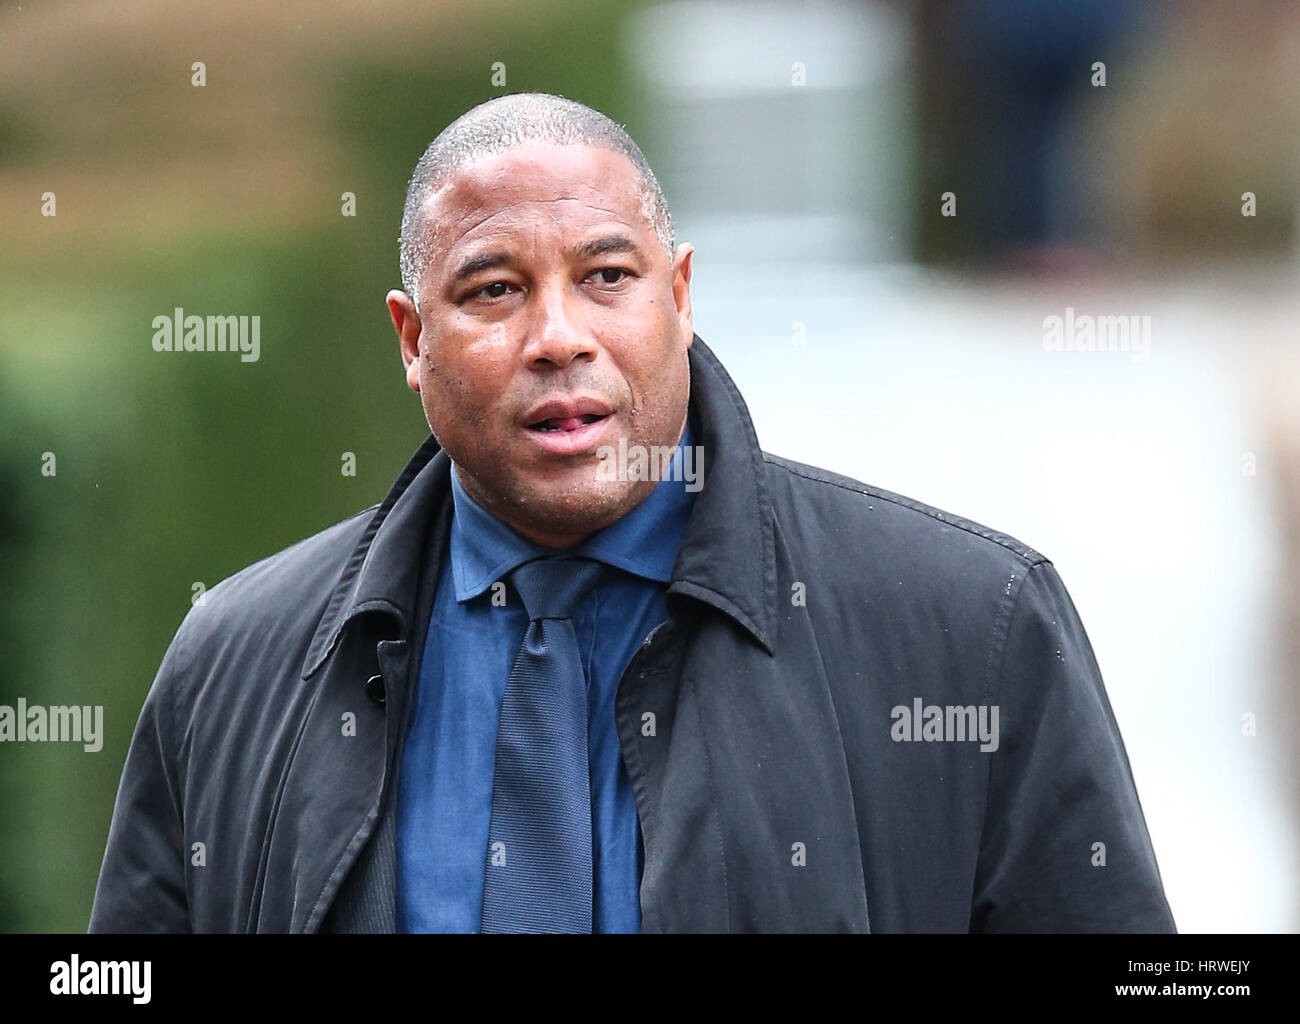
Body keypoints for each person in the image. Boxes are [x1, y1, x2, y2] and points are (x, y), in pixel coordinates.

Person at [89, 92, 1175, 934]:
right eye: (493, 291)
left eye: (607, 275)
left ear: (682, 296)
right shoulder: (233, 665)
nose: (558, 335)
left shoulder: (970, 630)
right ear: (411, 340)